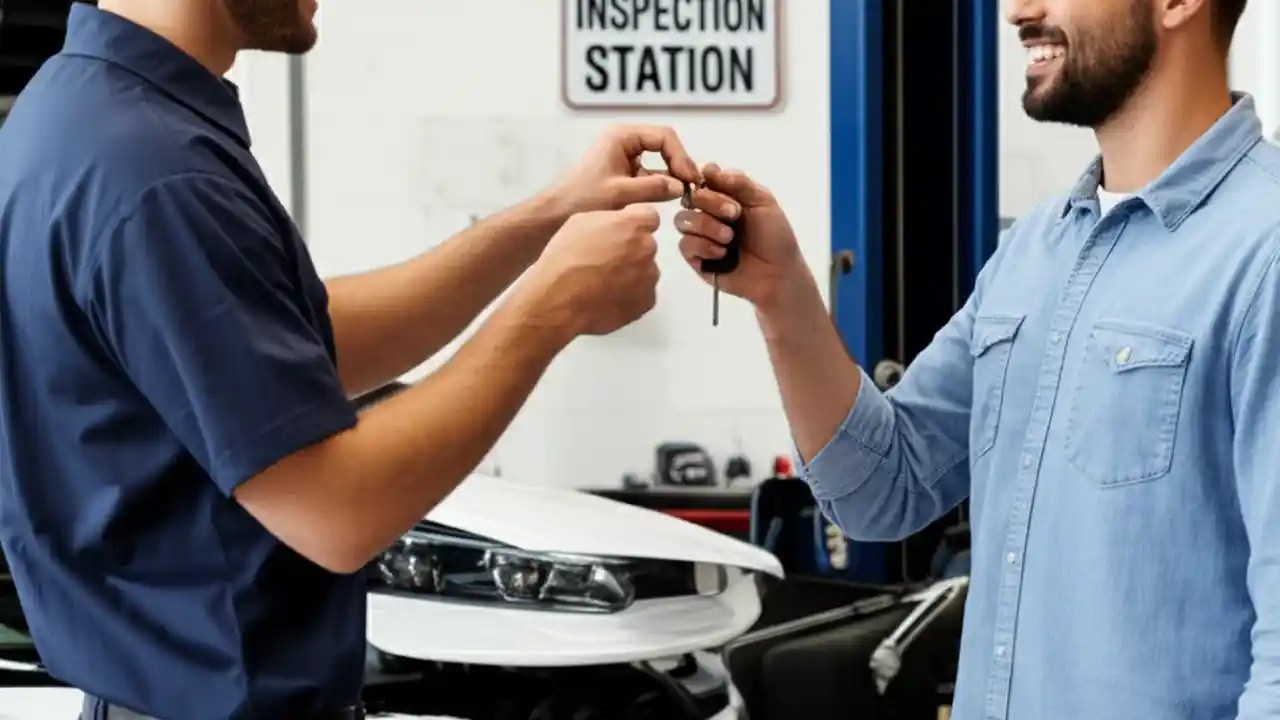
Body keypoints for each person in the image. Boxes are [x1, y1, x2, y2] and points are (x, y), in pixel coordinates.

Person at [0, 1, 705, 718]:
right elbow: (337, 513)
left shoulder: (76, 116)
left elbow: (282, 352)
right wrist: (551, 310)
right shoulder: (157, 176)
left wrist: (550, 213)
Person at [677, 0, 1277, 718]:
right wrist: (783, 297)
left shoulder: (1263, 253)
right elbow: (881, 487)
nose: (1020, 10)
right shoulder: (1035, 251)